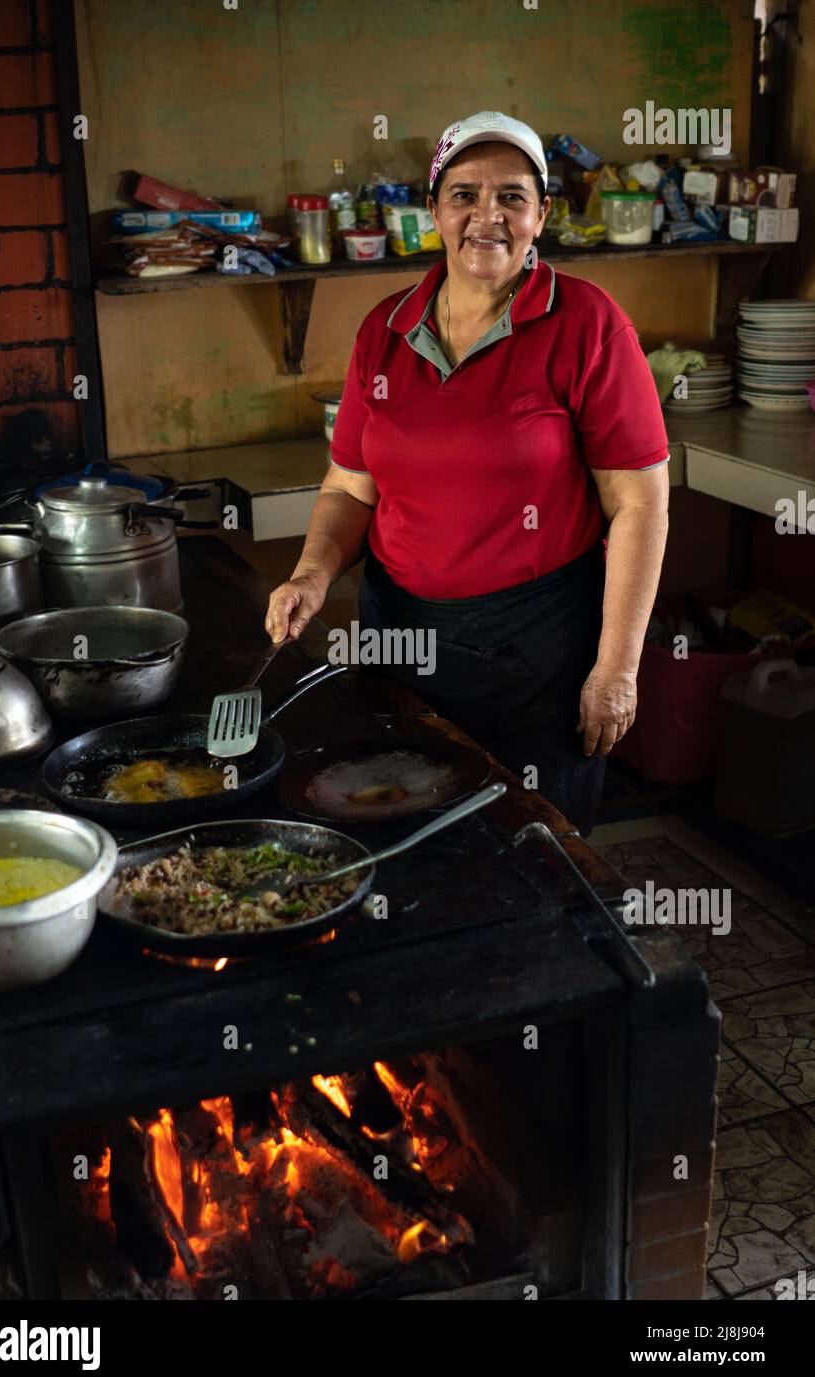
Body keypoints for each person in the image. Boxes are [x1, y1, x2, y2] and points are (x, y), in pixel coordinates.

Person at [266, 111, 669, 835]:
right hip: (397, 638)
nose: (489, 217)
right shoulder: (385, 328)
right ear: (434, 212)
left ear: (542, 214)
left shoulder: (587, 322)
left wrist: (617, 671)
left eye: (512, 197)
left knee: (535, 850)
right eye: (465, 195)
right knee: (401, 833)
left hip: (537, 649)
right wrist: (312, 574)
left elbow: (639, 504)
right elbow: (350, 487)